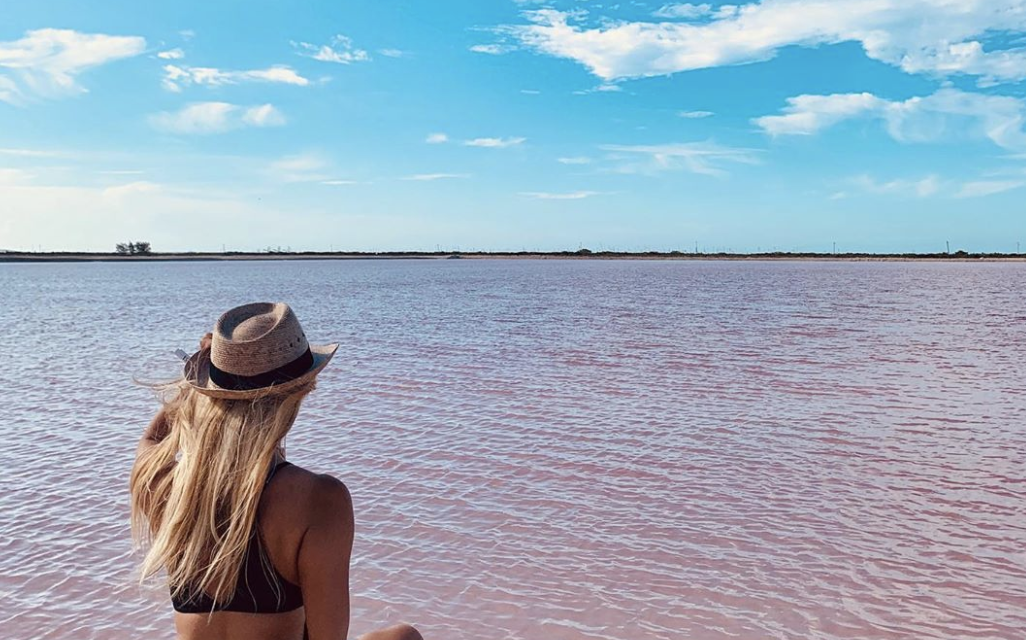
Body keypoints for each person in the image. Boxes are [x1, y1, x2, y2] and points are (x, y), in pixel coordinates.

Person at [129, 301, 422, 640]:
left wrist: (198, 382)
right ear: (301, 391)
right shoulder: (320, 498)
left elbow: (152, 440)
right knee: (404, 636)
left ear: (207, 394)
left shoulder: (160, 482)